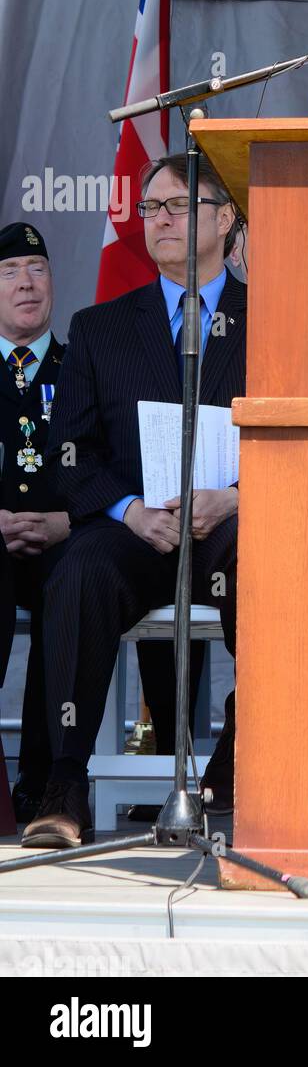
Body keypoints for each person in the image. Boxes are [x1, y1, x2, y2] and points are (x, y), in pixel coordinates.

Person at [22, 153, 245, 848]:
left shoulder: (274, 318)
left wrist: (234, 499)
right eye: (151, 209)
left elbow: (303, 442)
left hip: (232, 520)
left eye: (179, 206)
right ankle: (64, 782)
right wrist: (128, 511)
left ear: (226, 218)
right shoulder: (100, 328)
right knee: (79, 571)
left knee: (274, 561)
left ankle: (237, 760)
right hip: (135, 528)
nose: (161, 221)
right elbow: (70, 455)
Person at [0, 223, 68, 823]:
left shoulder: (81, 368)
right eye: (10, 272)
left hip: (63, 539)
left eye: (37, 268)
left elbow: (108, 463)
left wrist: (64, 522)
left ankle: (46, 779)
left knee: (68, 590)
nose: (26, 283)